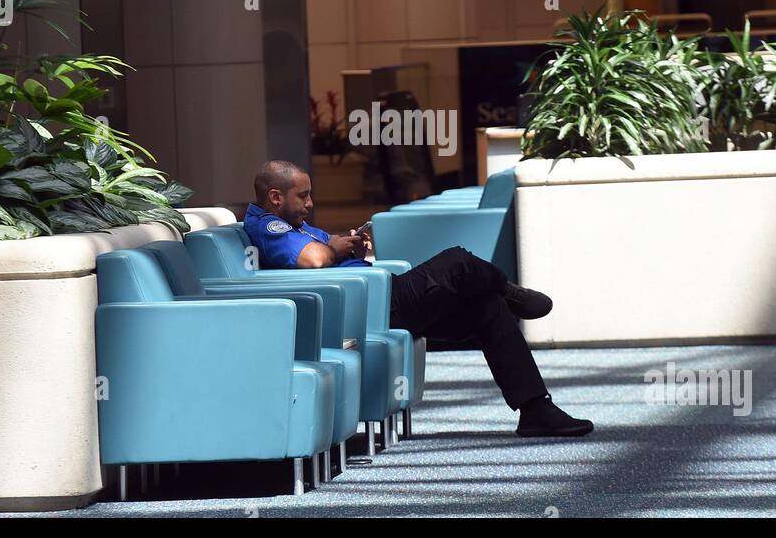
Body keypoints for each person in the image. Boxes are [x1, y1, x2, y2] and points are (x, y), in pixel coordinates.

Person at [243, 160, 593, 438]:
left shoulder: (292, 224)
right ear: (276, 197)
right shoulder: (268, 227)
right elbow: (315, 259)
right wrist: (334, 249)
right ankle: (510, 290)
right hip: (374, 305)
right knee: (458, 262)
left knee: (487, 309)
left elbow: (322, 248)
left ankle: (535, 410)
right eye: (302, 196)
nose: (310, 203)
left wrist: (347, 244)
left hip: (378, 292)